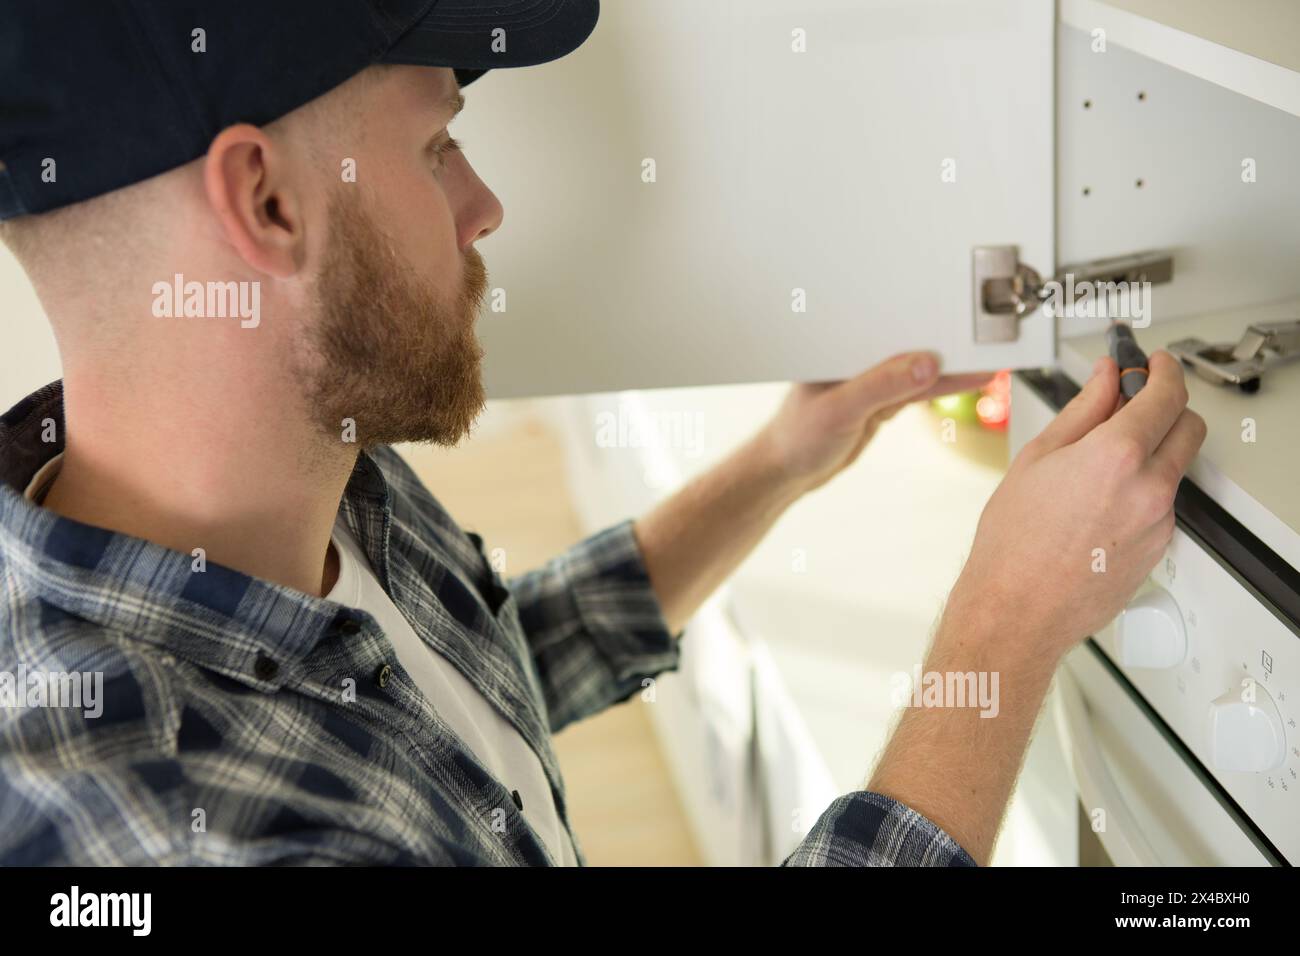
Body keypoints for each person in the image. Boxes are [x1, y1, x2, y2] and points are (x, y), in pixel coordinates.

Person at [0, 0, 1204, 866]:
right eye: (436, 147)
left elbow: (470, 689)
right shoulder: (161, 828)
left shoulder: (322, 472)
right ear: (263, 201)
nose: (483, 208)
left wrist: (776, 462)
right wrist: (1006, 621)